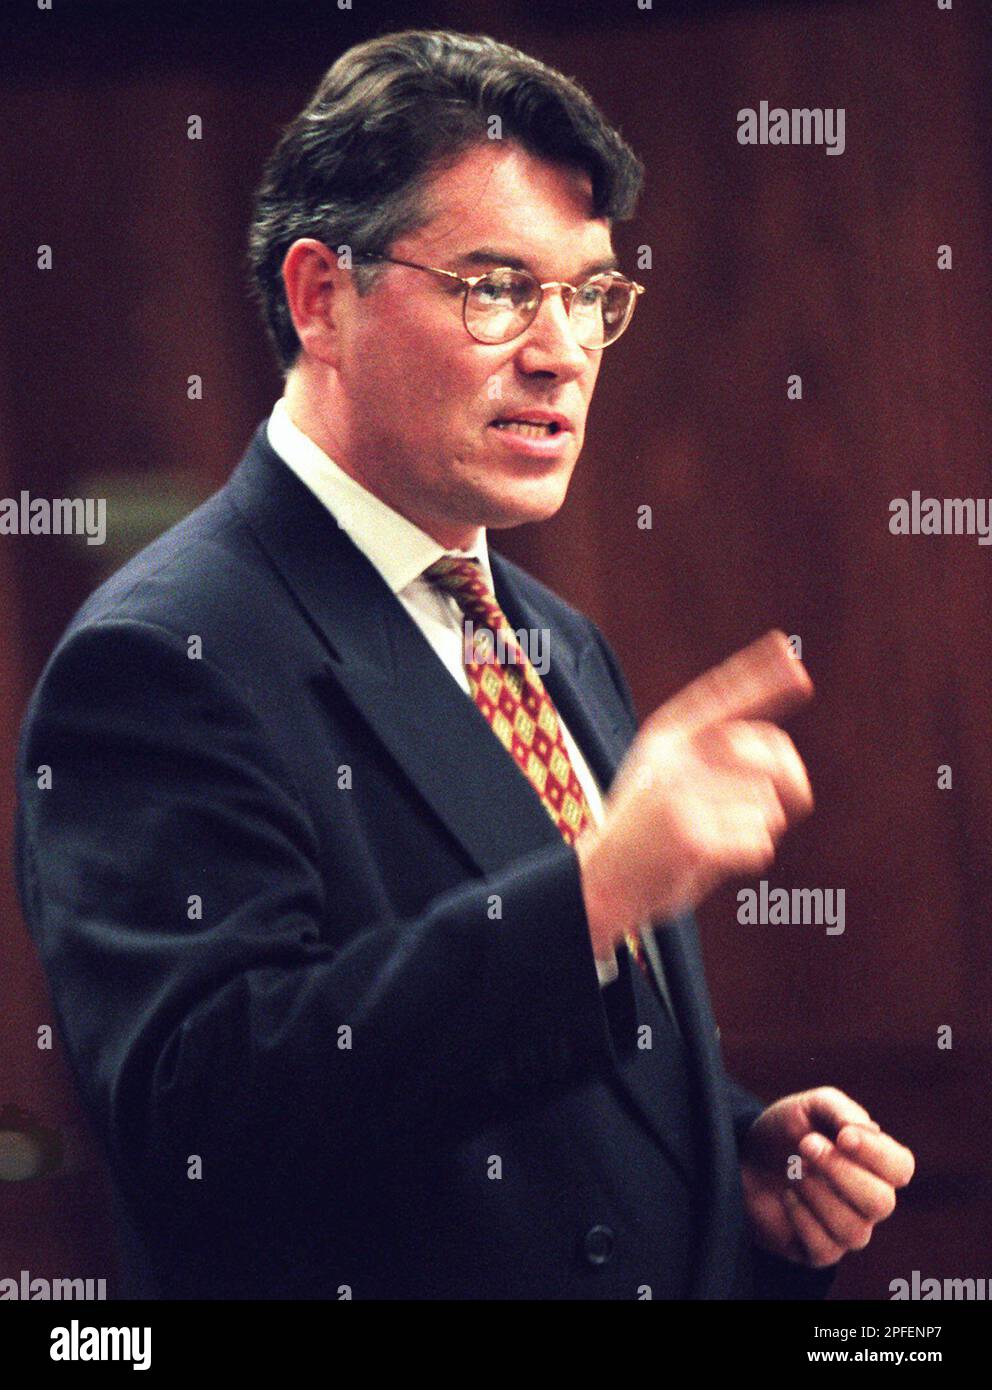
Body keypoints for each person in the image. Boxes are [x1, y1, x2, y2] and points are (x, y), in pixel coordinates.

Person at [14, 28, 913, 1300]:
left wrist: (726, 1161)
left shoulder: (550, 632)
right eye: (496, 285)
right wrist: (598, 889)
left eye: (590, 295)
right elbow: (205, 1125)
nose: (559, 350)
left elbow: (534, 1079)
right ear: (321, 295)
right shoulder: (162, 658)